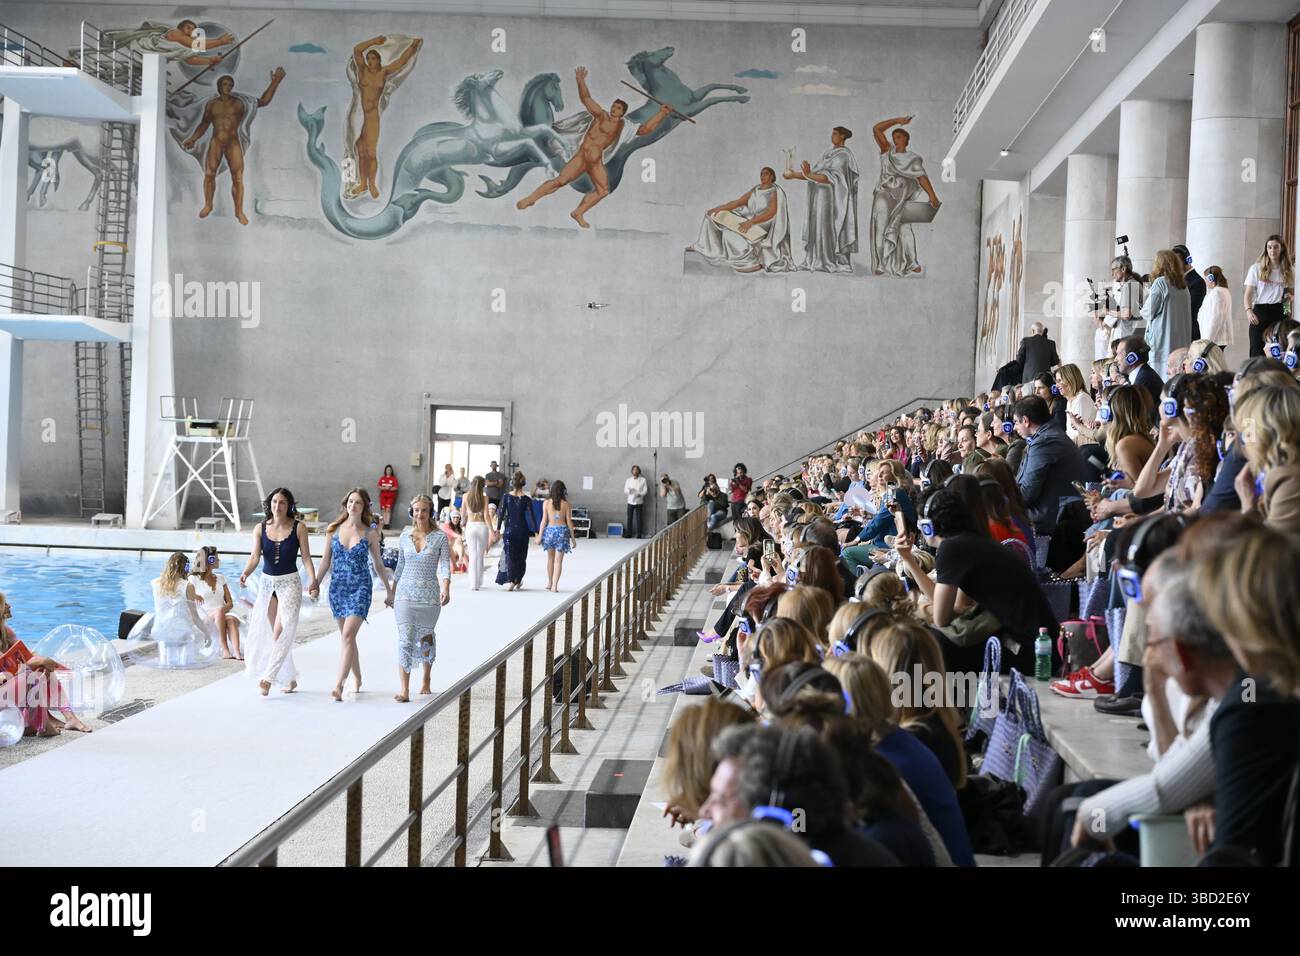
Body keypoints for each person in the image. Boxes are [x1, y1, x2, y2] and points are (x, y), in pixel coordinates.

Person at [896, 488, 1058, 673]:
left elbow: (941, 618)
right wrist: (908, 559)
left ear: (928, 525)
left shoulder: (952, 547)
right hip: (1033, 643)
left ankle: (922, 700)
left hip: (1024, 650)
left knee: (923, 644)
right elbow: (942, 603)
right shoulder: (971, 541)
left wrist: (917, 607)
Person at [515, 66, 672, 228]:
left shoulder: (625, 126)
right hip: (583, 156)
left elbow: (645, 129)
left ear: (623, 112)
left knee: (603, 190)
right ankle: (531, 198)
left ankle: (578, 212)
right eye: (613, 105)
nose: (613, 108)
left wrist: (662, 113)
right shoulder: (601, 116)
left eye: (618, 108)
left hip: (596, 162)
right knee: (560, 181)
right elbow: (587, 99)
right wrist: (580, 81)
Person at [311, 488, 393, 702]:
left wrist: (389, 590)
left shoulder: (370, 532)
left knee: (347, 636)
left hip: (360, 588)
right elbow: (325, 562)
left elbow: (378, 563)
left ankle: (338, 685)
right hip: (338, 588)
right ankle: (357, 676)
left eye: (357, 502)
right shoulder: (333, 530)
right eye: (350, 501)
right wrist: (316, 583)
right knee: (348, 638)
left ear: (364, 506)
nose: (352, 505)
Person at [180, 70, 286, 225]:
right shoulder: (212, 104)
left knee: (237, 178)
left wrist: (275, 82)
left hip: (233, 143)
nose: (228, 87)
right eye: (225, 84)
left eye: (230, 84)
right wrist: (193, 139)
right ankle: (208, 205)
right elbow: (204, 124)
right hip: (216, 142)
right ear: (219, 86)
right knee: (209, 174)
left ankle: (239, 211)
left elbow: (263, 101)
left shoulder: (240, 103)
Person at [239, 487, 317, 696]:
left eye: (282, 502)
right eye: (274, 502)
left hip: (289, 583)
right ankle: (290, 679)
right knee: (276, 636)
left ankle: (268, 678)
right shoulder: (260, 528)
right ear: (269, 505)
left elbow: (307, 558)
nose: (277, 506)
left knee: (282, 631)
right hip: (267, 585)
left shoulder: (299, 528)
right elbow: (255, 556)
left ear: (289, 505)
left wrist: (313, 580)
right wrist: (246, 573)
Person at [386, 494, 450, 703]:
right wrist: (392, 592)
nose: (420, 514)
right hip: (405, 595)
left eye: (424, 510)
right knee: (404, 639)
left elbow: (445, 566)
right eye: (416, 509)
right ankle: (404, 689)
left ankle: (426, 677)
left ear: (430, 512)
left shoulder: (440, 537)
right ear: (411, 511)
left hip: (429, 598)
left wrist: (446, 587)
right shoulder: (405, 536)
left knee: (425, 638)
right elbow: (400, 566)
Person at [0, 593, 92, 736]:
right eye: (5, 603)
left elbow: (27, 655)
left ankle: (69, 718)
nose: (9, 606)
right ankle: (44, 725)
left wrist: (43, 661)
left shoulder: (6, 632)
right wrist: (39, 662)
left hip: (8, 690)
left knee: (39, 668)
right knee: (30, 675)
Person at [347, 35, 423, 200]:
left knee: (371, 152)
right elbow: (357, 50)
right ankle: (362, 184)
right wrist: (373, 41)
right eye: (368, 58)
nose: (370, 61)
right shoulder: (362, 71)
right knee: (360, 149)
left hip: (373, 116)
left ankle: (372, 184)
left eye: (373, 58)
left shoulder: (384, 72)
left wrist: (413, 47)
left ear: (379, 60)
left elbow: (402, 61)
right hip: (359, 113)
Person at [868, 114, 940, 277]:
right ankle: (881, 263)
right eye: (893, 137)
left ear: (906, 140)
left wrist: (932, 196)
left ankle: (912, 262)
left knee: (905, 227)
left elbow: (922, 177)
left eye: (899, 137)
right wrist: (897, 120)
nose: (895, 140)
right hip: (885, 193)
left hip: (903, 196)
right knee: (881, 225)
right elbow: (876, 129)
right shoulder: (887, 151)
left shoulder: (913, 158)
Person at [688, 166, 794, 273]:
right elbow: (738, 202)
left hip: (761, 226)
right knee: (711, 216)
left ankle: (750, 262)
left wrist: (751, 222)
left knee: (728, 235)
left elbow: (771, 212)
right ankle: (704, 247)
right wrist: (718, 209)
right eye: (761, 174)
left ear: (772, 176)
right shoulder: (756, 189)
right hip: (749, 221)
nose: (762, 176)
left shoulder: (774, 191)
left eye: (765, 174)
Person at [785, 126, 860, 274]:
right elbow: (813, 173)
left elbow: (830, 178)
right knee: (817, 226)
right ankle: (814, 259)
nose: (832, 136)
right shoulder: (828, 153)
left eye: (835, 134)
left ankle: (827, 260)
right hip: (818, 197)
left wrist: (808, 174)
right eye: (832, 133)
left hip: (832, 199)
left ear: (843, 136)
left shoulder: (844, 155)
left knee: (827, 228)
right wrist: (794, 175)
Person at [1011, 396, 1085, 537]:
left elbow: (1027, 494)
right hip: (1054, 517)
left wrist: (1001, 500)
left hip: (1046, 523)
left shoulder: (1044, 442)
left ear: (1025, 421)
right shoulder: (1050, 434)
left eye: (1016, 422)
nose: (1015, 427)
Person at [1232, 382, 1300, 535]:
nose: (1244, 440)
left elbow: (1265, 554)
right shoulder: (1279, 471)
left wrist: (1249, 507)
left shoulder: (1291, 481)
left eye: (1248, 430)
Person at [1142, 249, 1194, 377]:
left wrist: (1142, 307)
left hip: (1163, 341)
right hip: (1181, 341)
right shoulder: (1183, 286)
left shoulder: (1161, 283)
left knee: (1161, 377)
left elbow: (1149, 312)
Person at [1243, 234, 1293, 358]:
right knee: (1256, 350)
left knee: (1278, 351)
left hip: (1279, 312)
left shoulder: (1289, 271)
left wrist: (1287, 314)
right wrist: (1249, 311)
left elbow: (1287, 297)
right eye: (1269, 247)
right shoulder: (1256, 269)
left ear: (1282, 249)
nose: (1272, 250)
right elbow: (1248, 294)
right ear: (1266, 249)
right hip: (1260, 311)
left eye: (1276, 247)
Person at [190, 545, 240, 660]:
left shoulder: (221, 578)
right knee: (218, 612)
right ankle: (224, 649)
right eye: (216, 557)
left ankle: (236, 652)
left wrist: (222, 610)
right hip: (204, 617)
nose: (219, 560)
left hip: (222, 614)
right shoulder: (194, 579)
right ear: (209, 560)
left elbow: (230, 603)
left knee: (231, 620)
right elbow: (189, 600)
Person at [496, 472, 538, 590]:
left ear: (512, 483)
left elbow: (501, 514)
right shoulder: (526, 499)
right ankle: (517, 580)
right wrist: (536, 533)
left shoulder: (506, 497)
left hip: (509, 530)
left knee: (510, 554)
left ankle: (512, 580)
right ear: (523, 484)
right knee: (521, 555)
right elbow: (532, 517)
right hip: (522, 530)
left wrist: (498, 529)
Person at [1097, 255, 1145, 350]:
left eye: (1114, 269)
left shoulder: (1129, 285)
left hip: (1130, 337)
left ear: (1123, 269)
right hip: (1133, 335)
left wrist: (1107, 312)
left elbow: (1127, 314)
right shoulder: (1132, 284)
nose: (1112, 274)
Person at [539, 480, 577, 592]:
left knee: (550, 559)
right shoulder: (566, 504)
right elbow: (569, 522)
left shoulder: (546, 503)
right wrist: (573, 539)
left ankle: (549, 582)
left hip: (550, 531)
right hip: (562, 532)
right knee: (558, 561)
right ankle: (555, 585)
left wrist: (540, 535)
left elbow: (543, 521)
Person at [460, 476, 496, 590]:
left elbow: (463, 514)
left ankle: (473, 584)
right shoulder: (485, 498)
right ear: (483, 486)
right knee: (480, 555)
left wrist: (463, 523)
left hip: (470, 526)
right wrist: (492, 531)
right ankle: (479, 582)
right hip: (482, 527)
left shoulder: (465, 496)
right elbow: (486, 516)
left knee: (472, 555)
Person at [1114, 335, 1163, 411]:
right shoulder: (1142, 375)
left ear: (1131, 358)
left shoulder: (1145, 380)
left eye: (1118, 354)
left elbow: (1132, 414)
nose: (1115, 359)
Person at [1055, 364, 1097, 447]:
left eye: (1060, 380)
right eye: (1056, 381)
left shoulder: (1081, 398)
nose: (1057, 385)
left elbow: (1079, 432)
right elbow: (1070, 432)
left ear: (1070, 379)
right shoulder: (1070, 401)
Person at [1172, 244, 1206, 340]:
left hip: (1188, 333)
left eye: (1176, 263)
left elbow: (1190, 309)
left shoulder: (1198, 282)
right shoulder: (1177, 279)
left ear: (1187, 261)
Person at [1198, 266, 1233, 349]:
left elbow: (1216, 318)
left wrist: (1207, 341)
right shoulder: (1220, 291)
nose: (1205, 281)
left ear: (1211, 278)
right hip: (1215, 338)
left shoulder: (1218, 293)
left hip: (1214, 339)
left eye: (1206, 279)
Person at [623, 464, 648, 538]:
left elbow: (645, 490)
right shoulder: (628, 480)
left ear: (639, 471)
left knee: (639, 518)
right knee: (629, 518)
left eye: (637, 470)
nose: (635, 471)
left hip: (639, 501)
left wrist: (640, 494)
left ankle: (639, 534)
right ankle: (629, 534)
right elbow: (625, 490)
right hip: (630, 501)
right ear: (632, 471)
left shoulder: (643, 480)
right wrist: (630, 491)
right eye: (634, 470)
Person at [377, 464, 398, 529]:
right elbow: (378, 486)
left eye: (389, 470)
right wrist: (384, 488)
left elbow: (396, 487)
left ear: (391, 471)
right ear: (385, 471)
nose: (388, 471)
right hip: (383, 496)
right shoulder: (382, 478)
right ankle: (384, 523)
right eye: (387, 470)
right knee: (383, 509)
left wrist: (389, 489)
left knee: (388, 509)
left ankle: (387, 523)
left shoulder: (393, 479)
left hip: (390, 496)